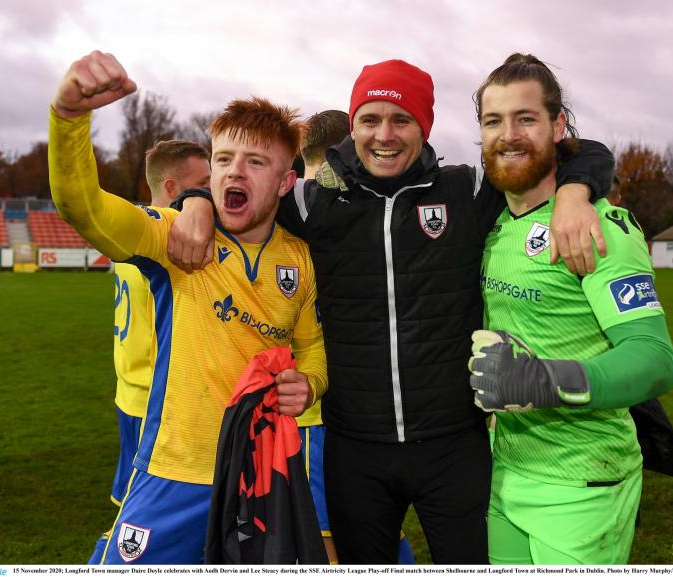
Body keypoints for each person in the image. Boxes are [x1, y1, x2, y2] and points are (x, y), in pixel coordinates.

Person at [170, 58, 614, 564]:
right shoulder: (315, 205)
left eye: (401, 120)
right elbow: (245, 196)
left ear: (423, 127)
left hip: (453, 445)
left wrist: (575, 191)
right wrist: (196, 200)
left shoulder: (466, 190)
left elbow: (578, 152)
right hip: (355, 450)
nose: (385, 134)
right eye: (370, 119)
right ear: (352, 125)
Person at [48, 50, 326, 564]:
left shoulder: (300, 259)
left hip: (259, 478)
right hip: (173, 474)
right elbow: (81, 206)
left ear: (287, 182)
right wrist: (69, 120)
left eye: (255, 162)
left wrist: (309, 383)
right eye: (223, 159)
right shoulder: (173, 237)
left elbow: (311, 348)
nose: (232, 173)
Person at [467, 53, 673, 564]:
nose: (508, 134)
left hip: (584, 480)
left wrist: (547, 380)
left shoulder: (598, 226)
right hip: (505, 470)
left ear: (558, 125)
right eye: (493, 121)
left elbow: (653, 357)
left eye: (526, 119)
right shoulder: (490, 217)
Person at [293, 109, 415, 565]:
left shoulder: (296, 209)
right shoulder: (300, 210)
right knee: (329, 546)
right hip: (316, 418)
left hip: (351, 418)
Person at [88, 140, 211, 563]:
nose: (209, 193)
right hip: (158, 401)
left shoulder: (131, 233)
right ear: (174, 187)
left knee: (130, 505)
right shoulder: (167, 240)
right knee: (138, 525)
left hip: (129, 390)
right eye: (203, 184)